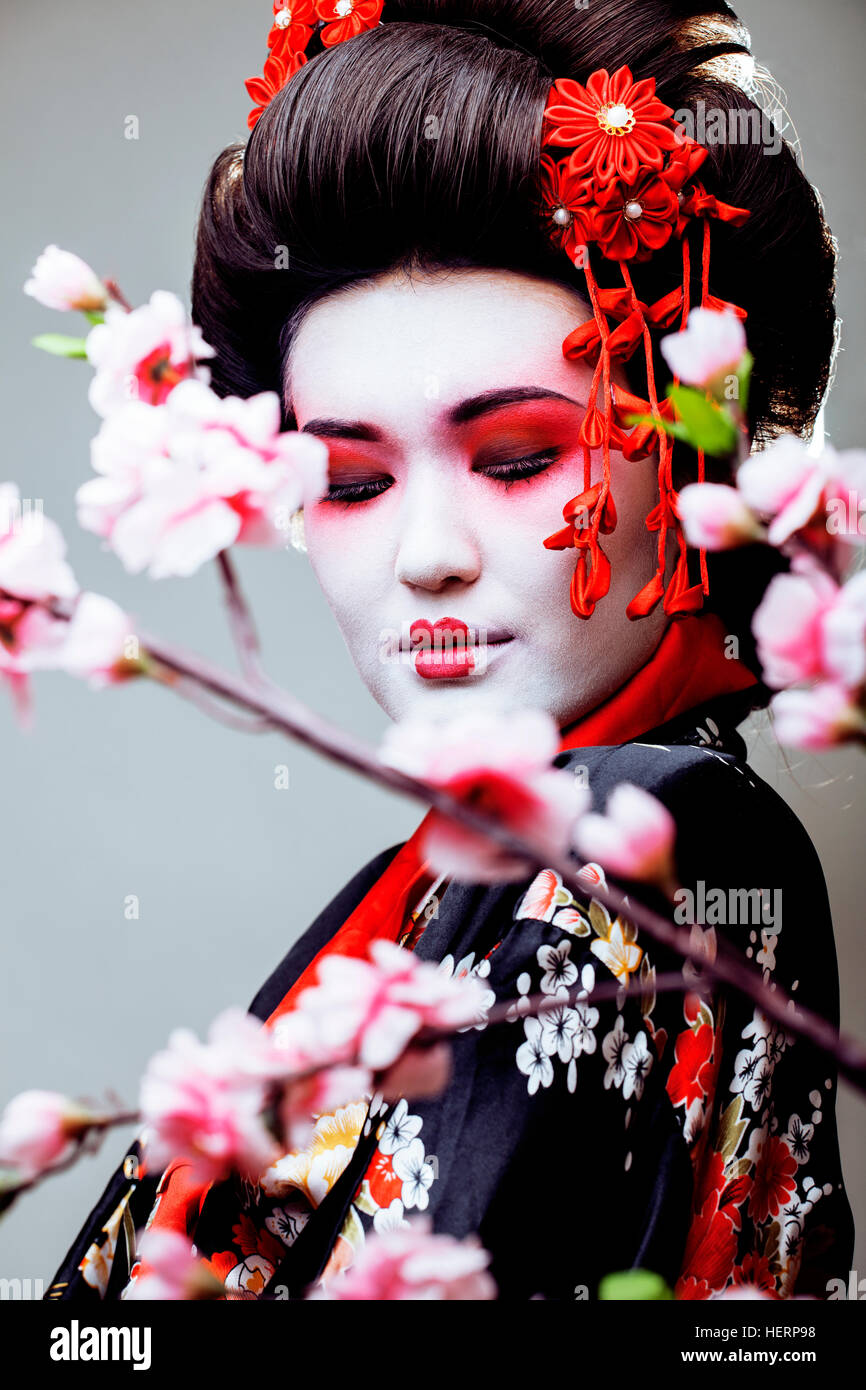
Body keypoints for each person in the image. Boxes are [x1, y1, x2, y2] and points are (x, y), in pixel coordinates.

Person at [47, 0, 854, 1302]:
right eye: (351, 479)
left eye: (520, 457)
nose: (425, 553)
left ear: (694, 460)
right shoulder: (464, 872)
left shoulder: (637, 839)